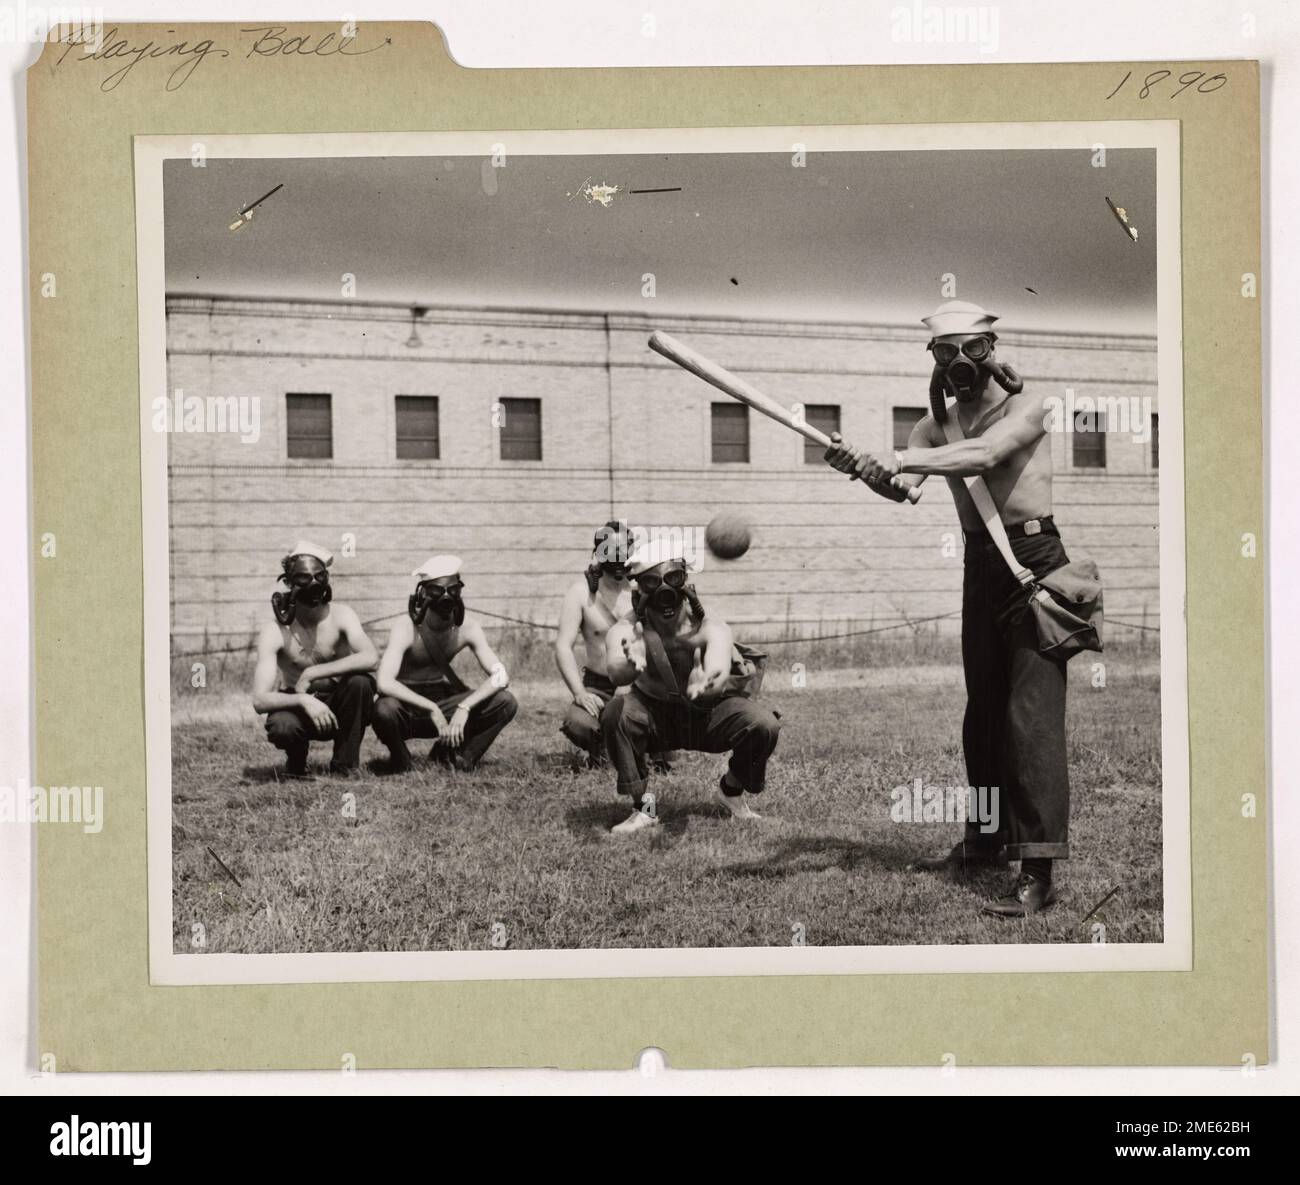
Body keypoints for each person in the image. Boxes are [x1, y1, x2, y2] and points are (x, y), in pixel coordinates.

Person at [823, 299, 1070, 917]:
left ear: (992, 350)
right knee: (981, 715)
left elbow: (985, 456)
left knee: (1029, 716)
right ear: (933, 358)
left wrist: (901, 457)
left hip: (1033, 560)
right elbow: (903, 488)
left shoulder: (1031, 406)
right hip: (980, 566)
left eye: (973, 349)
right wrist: (861, 468)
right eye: (946, 351)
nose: (961, 362)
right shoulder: (932, 428)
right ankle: (984, 843)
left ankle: (1037, 871)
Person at [600, 540, 780, 835]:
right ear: (639, 591)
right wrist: (632, 665)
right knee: (615, 712)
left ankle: (731, 791)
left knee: (763, 724)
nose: (664, 593)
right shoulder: (626, 631)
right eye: (652, 583)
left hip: (705, 715)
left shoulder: (711, 628)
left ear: (685, 582)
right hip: (654, 716)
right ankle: (644, 809)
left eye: (672, 579)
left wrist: (706, 687)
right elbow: (616, 674)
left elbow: (717, 675)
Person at [371, 556, 518, 773]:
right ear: (423, 593)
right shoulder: (406, 627)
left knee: (505, 702)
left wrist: (465, 707)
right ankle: (401, 759)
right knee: (384, 709)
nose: (446, 597)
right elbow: (384, 682)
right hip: (406, 704)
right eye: (437, 591)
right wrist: (430, 707)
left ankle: (459, 757)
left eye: (453, 590)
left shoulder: (468, 628)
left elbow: (500, 676)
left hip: (441, 697)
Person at [250, 541, 378, 776]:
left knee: (361, 683)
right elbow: (259, 700)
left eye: (320, 576)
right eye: (303, 578)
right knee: (282, 727)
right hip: (297, 703)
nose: (314, 584)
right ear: (288, 583)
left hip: (338, 701)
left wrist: (313, 672)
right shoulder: (275, 630)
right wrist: (303, 700)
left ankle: (345, 765)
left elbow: (371, 658)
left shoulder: (342, 615)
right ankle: (296, 761)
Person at [555, 521, 637, 767]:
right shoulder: (580, 593)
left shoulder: (642, 590)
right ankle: (612, 749)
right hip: (598, 685)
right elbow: (563, 646)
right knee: (577, 723)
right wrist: (579, 692)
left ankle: (629, 747)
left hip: (637, 684)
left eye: (624, 550)